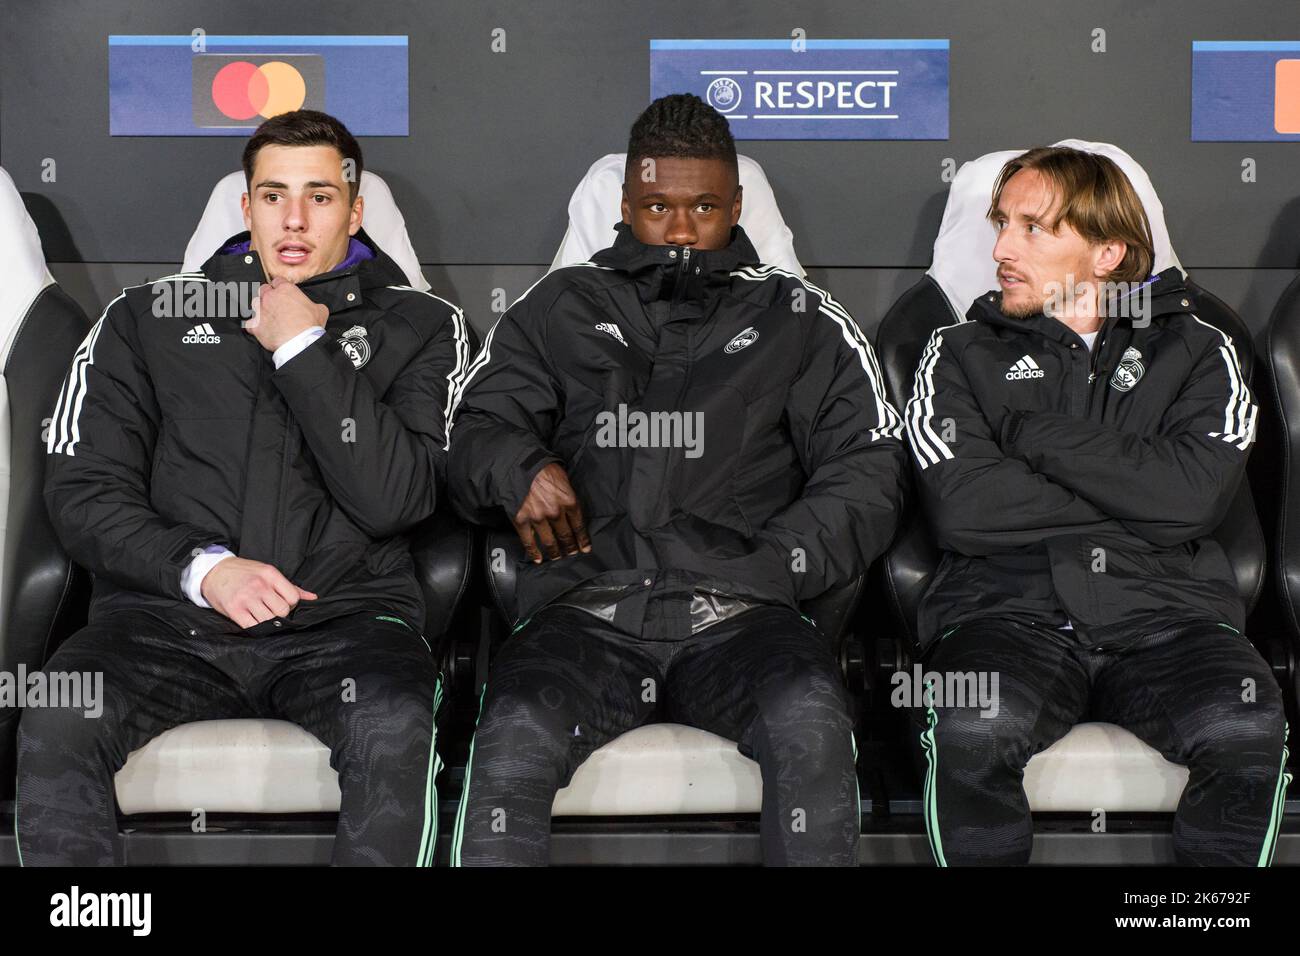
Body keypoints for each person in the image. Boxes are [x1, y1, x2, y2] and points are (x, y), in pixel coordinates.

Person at [446, 93, 907, 866]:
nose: (683, 230)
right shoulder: (557, 308)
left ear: (736, 205)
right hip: (585, 610)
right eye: (658, 206)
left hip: (746, 617)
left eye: (703, 207)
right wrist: (518, 468)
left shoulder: (800, 319)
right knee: (511, 740)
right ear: (625, 206)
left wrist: (776, 561)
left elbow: (870, 472)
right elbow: (472, 432)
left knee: (812, 724)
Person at [16, 109, 470, 866]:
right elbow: (85, 490)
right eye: (272, 195)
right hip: (166, 621)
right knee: (60, 712)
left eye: (320, 197)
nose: (294, 219)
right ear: (246, 208)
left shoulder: (424, 327)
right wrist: (203, 568)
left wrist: (302, 346)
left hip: (346, 626)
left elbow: (399, 497)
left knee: (393, 725)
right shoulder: (146, 317)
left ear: (356, 211)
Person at [904, 145, 1290, 866]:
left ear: (1108, 252)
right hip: (1004, 610)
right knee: (972, 727)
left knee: (1245, 727)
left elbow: (1190, 500)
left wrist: (1031, 434)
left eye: (1032, 227)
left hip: (1168, 614)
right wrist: (1134, 497)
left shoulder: (1202, 350)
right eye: (999, 223)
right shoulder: (955, 353)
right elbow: (966, 510)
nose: (1000, 248)